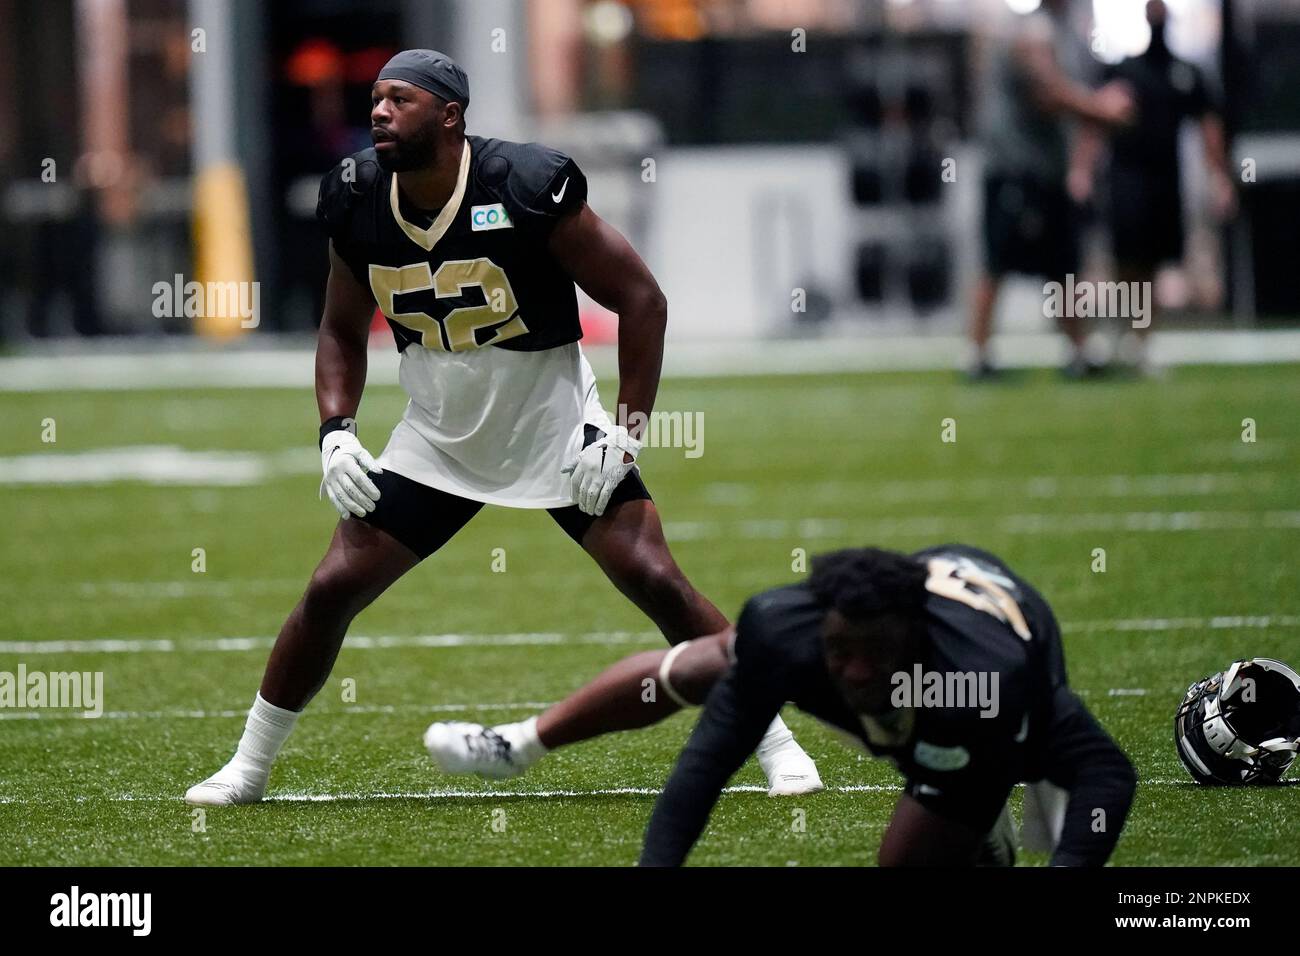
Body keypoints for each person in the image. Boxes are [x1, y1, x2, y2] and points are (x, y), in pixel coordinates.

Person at [184, 49, 820, 806]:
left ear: (450, 116)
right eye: (377, 100)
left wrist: (624, 432)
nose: (379, 113)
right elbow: (340, 331)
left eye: (400, 100)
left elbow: (643, 300)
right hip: (439, 438)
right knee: (331, 588)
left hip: (551, 425)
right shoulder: (356, 196)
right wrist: (337, 431)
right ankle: (248, 768)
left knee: (657, 581)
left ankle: (778, 744)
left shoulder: (522, 185)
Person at [632, 545, 1136, 866]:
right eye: (840, 651)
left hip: (972, 707)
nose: (855, 671)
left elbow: (1106, 772)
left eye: (876, 654)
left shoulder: (988, 678)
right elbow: (706, 762)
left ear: (914, 640)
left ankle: (983, 816)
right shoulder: (783, 636)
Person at [969, 0, 1135, 380]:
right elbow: (1047, 92)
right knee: (997, 261)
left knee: (1063, 266)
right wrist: (1103, 109)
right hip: (1015, 168)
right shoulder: (1030, 29)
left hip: (1046, 172)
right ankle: (976, 355)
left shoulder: (1065, 30)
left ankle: (1078, 353)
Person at [1069, 0, 1236, 376]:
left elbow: (1209, 125)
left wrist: (1220, 177)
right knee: (1126, 257)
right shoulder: (1123, 70)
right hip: (1125, 176)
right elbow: (1094, 121)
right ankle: (1122, 327)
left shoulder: (1185, 73)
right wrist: (1081, 169)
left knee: (1155, 260)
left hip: (1166, 179)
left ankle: (1140, 340)